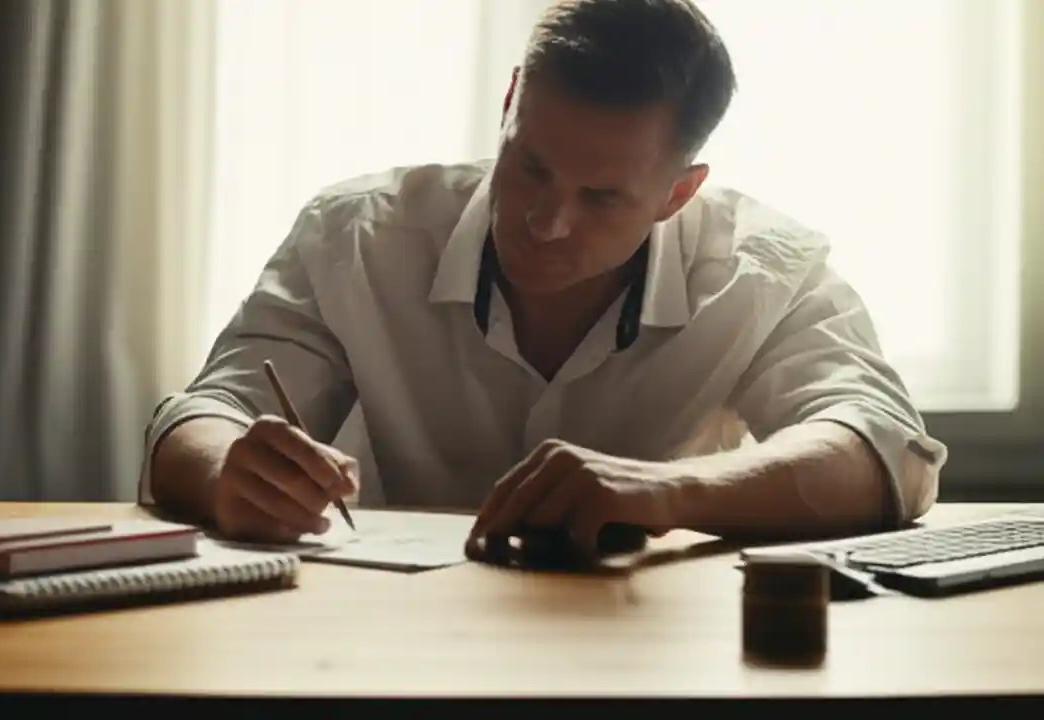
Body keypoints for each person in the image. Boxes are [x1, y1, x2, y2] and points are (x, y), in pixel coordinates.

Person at [139, 0, 947, 556]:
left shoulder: (768, 267)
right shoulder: (357, 233)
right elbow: (200, 416)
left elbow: (886, 453)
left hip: (654, 655)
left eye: (600, 196)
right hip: (390, 649)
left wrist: (665, 493)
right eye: (530, 166)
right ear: (509, 104)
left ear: (678, 192)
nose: (546, 222)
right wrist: (224, 470)